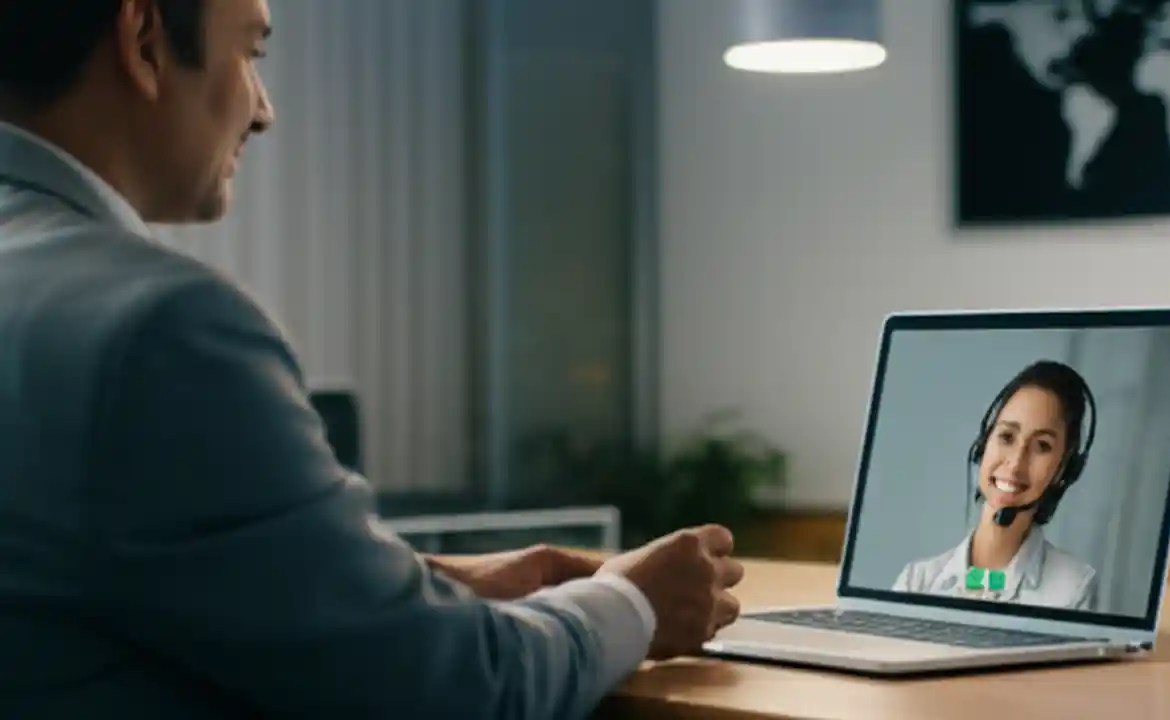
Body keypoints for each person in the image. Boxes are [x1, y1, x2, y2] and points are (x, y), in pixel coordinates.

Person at [0, 1, 743, 717]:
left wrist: (420, 583)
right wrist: (634, 603)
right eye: (250, 52)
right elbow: (461, 691)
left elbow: (106, 576)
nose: (263, 110)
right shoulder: (163, 331)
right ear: (144, 38)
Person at [892, 360, 1098, 611]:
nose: (1016, 464)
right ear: (983, 445)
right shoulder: (917, 583)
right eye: (1007, 437)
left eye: (1042, 446)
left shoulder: (1072, 590)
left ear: (1064, 469)